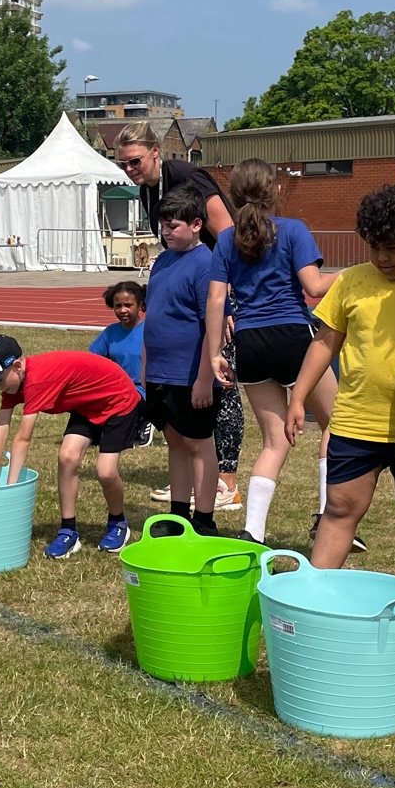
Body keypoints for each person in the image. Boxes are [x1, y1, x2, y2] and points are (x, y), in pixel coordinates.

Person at [287, 185, 395, 571]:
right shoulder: (350, 281)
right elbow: (323, 343)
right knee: (340, 510)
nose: (382, 258)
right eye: (374, 247)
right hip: (355, 421)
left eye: (393, 248)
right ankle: (314, 596)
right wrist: (298, 397)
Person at [206, 159, 337, 544]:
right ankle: (327, 517)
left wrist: (215, 353)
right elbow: (314, 286)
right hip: (292, 337)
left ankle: (253, 531)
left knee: (274, 441)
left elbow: (216, 300)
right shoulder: (292, 230)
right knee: (336, 424)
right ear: (276, 190)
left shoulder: (227, 239)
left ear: (233, 197)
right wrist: (359, 273)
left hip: (250, 344)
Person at [115, 122, 242, 513]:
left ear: (155, 151)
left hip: (219, 285)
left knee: (220, 385)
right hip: (190, 289)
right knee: (180, 415)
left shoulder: (187, 176)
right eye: (122, 164)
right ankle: (186, 489)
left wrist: (225, 297)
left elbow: (229, 233)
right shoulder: (147, 189)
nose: (129, 170)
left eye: (135, 161)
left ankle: (226, 481)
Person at [0, 333, 143, 558]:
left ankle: (117, 522)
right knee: (67, 457)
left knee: (105, 471)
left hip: (117, 399)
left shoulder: (36, 381)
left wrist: (11, 490)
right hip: (86, 406)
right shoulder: (12, 385)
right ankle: (68, 530)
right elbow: (1, 430)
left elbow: (23, 438)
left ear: (16, 366)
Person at [142, 186, 223, 535]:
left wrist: (204, 379)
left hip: (189, 375)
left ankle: (204, 519)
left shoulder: (206, 264)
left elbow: (212, 328)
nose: (166, 233)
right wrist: (145, 368)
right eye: (163, 226)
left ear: (196, 224)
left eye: (173, 226)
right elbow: (154, 317)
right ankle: (178, 516)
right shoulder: (162, 261)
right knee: (175, 442)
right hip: (159, 374)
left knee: (198, 444)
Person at [90, 279, 151, 445]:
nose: (123, 310)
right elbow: (92, 360)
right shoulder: (111, 332)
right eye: (118, 306)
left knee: (123, 402)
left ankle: (144, 421)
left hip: (143, 391)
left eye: (128, 305)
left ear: (140, 305)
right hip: (117, 388)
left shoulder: (150, 330)